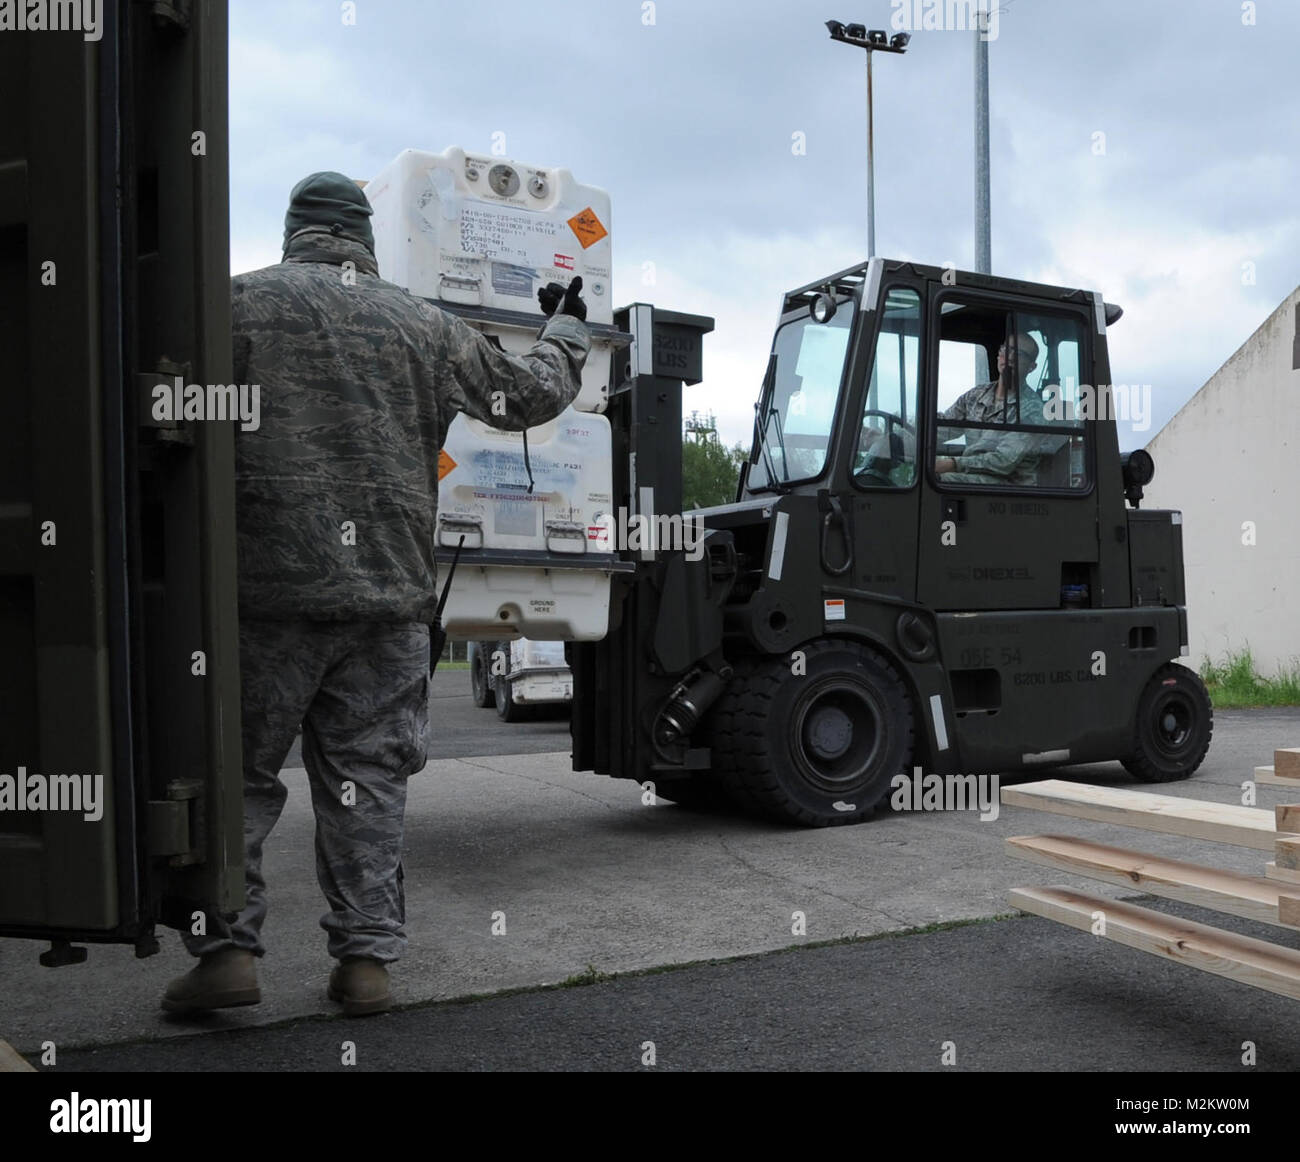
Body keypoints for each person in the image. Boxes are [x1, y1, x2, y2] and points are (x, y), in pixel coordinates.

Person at [162, 171, 590, 1016]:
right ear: (364, 238)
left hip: (259, 600)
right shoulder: (422, 323)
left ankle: (227, 958)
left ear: (294, 234)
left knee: (237, 780)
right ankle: (364, 965)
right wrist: (566, 329)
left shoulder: (232, 307)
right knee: (367, 781)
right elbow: (531, 395)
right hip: (387, 602)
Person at [934, 331, 1045, 486]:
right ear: (999, 354)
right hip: (974, 478)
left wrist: (952, 464)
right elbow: (942, 429)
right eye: (1007, 349)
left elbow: (1003, 462)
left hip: (1010, 489)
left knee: (937, 482)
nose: (1010, 357)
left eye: (1019, 354)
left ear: (1032, 367)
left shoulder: (1032, 409)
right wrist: (904, 441)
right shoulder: (975, 395)